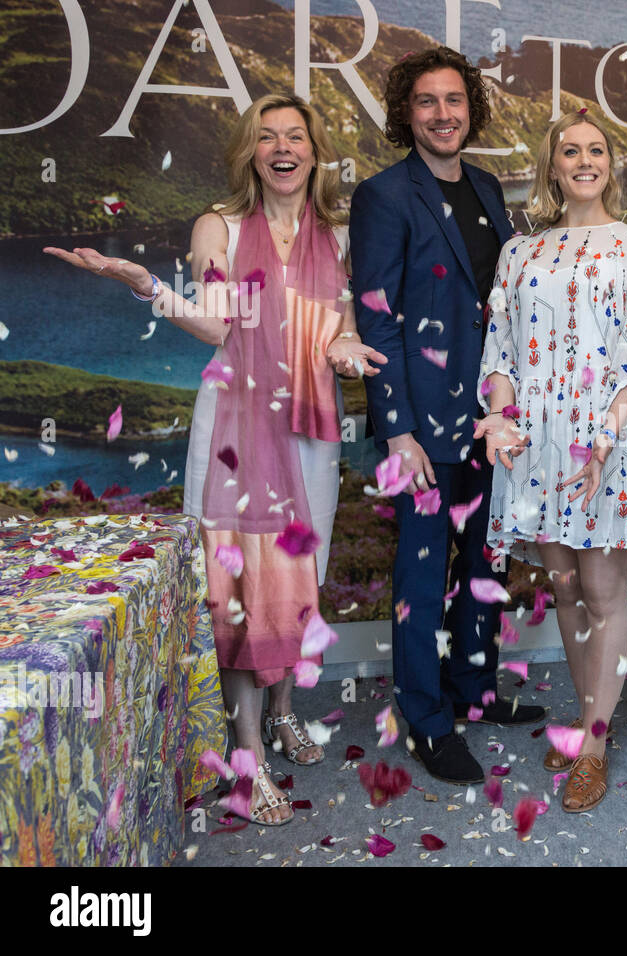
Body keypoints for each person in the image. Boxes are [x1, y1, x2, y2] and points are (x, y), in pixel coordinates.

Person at [46, 93, 384, 826]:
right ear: (250, 152)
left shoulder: (340, 234)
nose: (282, 147)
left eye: (296, 135)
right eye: (267, 137)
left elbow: (340, 326)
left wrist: (345, 347)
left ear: (315, 149)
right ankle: (247, 757)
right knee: (243, 601)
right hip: (237, 433)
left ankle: (286, 710)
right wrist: (148, 287)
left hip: (312, 436)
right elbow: (215, 322)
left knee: (299, 589)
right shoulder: (219, 225)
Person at [350, 47, 544, 787]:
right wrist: (396, 431)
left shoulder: (489, 188)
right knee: (423, 576)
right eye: (427, 101)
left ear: (472, 110)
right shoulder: (384, 196)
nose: (442, 114)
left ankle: (474, 690)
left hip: (488, 423)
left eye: (454, 100)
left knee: (483, 563)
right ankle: (428, 721)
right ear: (407, 113)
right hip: (422, 430)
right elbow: (377, 320)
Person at [476, 111, 627, 813]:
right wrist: (499, 415)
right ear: (552, 166)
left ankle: (594, 741)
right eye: (569, 151)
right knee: (564, 588)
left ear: (611, 163)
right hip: (538, 444)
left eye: (596, 150)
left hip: (606, 444)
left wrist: (605, 442)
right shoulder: (518, 253)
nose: (584, 161)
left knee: (604, 591)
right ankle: (593, 712)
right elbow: (501, 350)